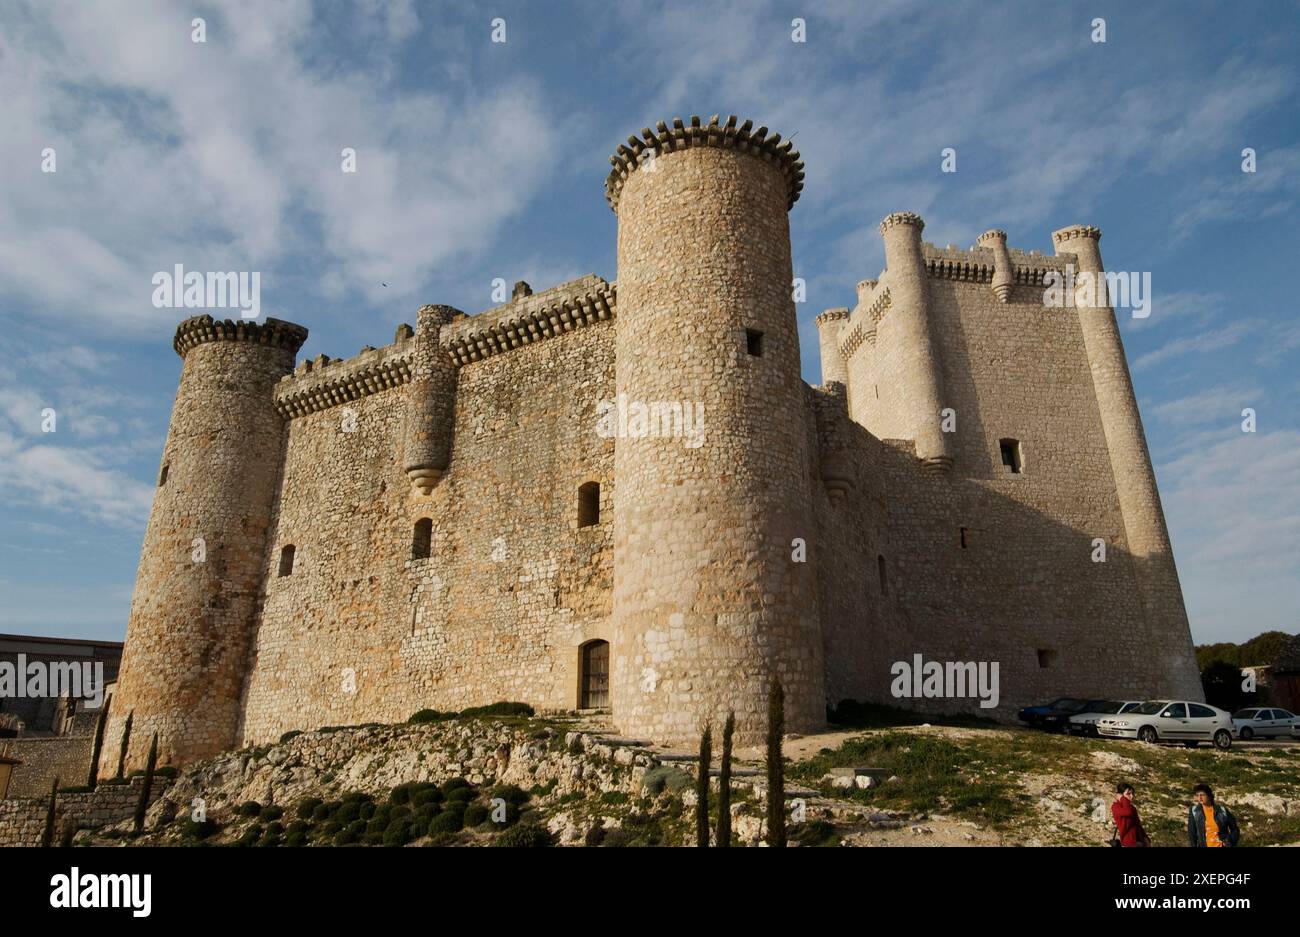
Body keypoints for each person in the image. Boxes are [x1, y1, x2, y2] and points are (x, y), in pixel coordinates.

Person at [1187, 783, 1239, 847]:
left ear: (1209, 796)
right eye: (1197, 795)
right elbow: (1192, 834)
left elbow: (1235, 829)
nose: (1200, 798)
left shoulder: (1222, 810)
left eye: (1202, 795)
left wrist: (1229, 840)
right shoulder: (1194, 811)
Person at [1110, 782, 1150, 846]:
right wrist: (1123, 798)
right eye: (1128, 794)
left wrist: (1146, 838)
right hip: (1129, 843)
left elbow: (1138, 825)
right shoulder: (1115, 807)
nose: (1132, 796)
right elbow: (1127, 812)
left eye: (1132, 793)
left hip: (1140, 842)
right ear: (1121, 795)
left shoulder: (1132, 808)